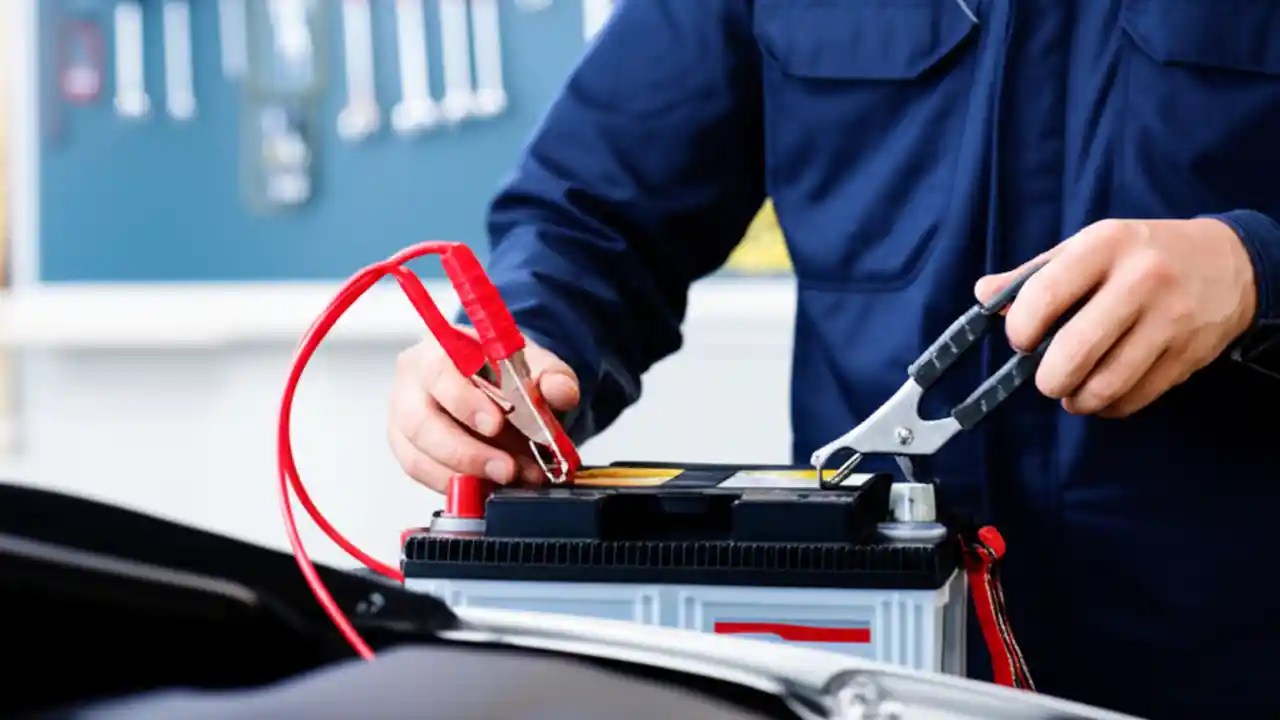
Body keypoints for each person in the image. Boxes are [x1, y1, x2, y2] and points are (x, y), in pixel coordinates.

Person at [387, 2, 1280, 717]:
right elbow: (589, 219)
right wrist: (520, 349)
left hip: (1232, 660)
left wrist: (1254, 269)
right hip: (857, 665)